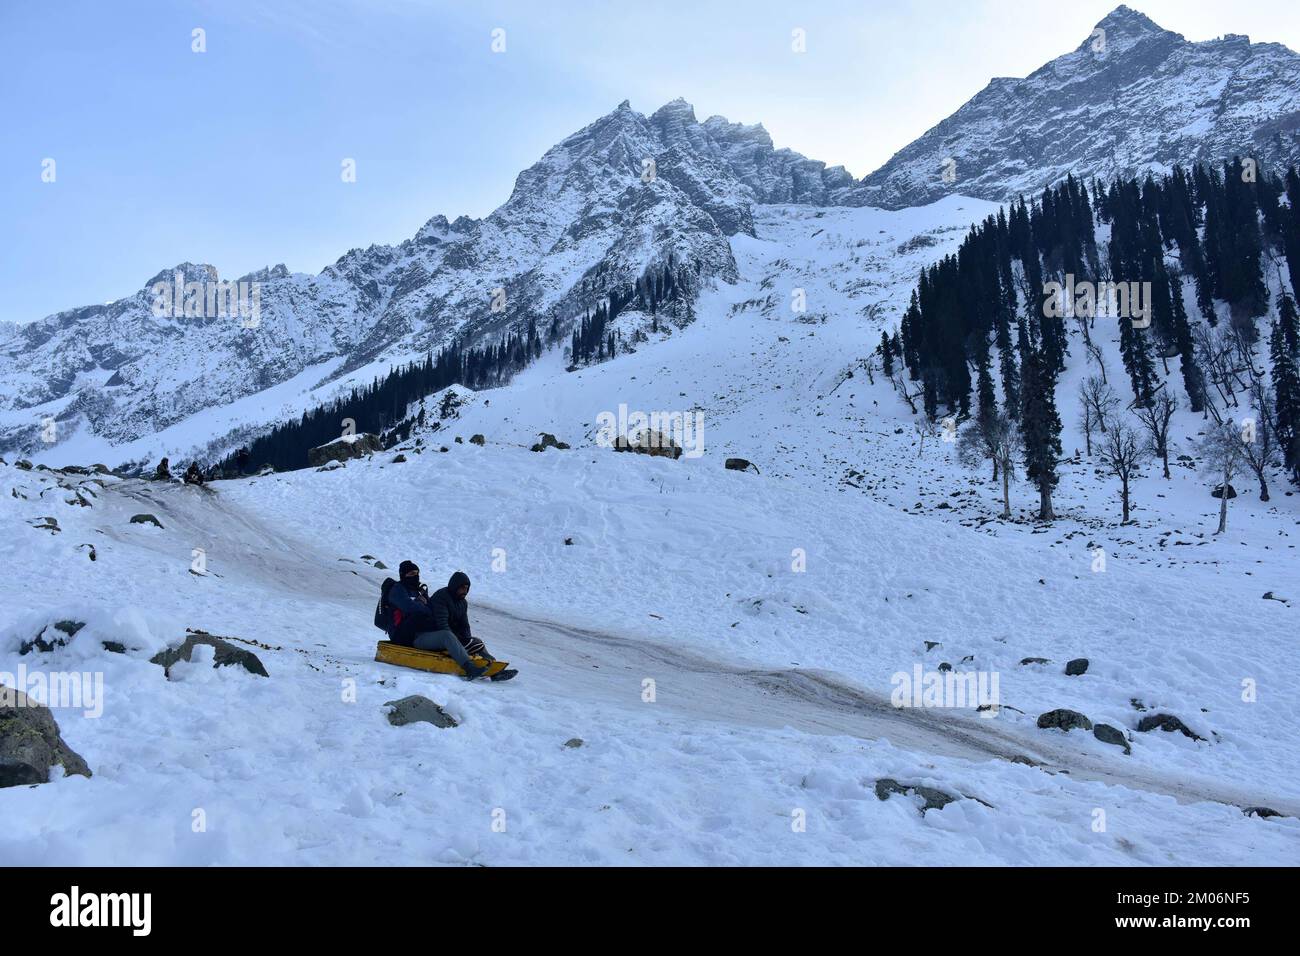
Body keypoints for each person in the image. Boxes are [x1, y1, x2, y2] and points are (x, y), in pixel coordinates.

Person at [384, 562, 511, 681]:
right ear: (403, 575)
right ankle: (470, 668)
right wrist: (422, 606)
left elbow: (428, 610)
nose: (415, 576)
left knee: (474, 642)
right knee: (447, 635)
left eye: (417, 573)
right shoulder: (397, 590)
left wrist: (466, 639)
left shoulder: (418, 590)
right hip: (404, 635)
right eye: (411, 574)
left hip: (421, 631)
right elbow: (412, 608)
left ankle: (494, 669)